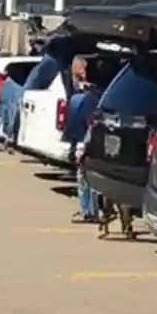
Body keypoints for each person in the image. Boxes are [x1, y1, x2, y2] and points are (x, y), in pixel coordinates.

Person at [67, 57, 102, 223]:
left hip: (85, 140)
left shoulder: (86, 98)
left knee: (85, 179)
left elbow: (85, 122)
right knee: (87, 178)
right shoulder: (90, 95)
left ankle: (89, 211)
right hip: (85, 139)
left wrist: (80, 144)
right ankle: (90, 210)